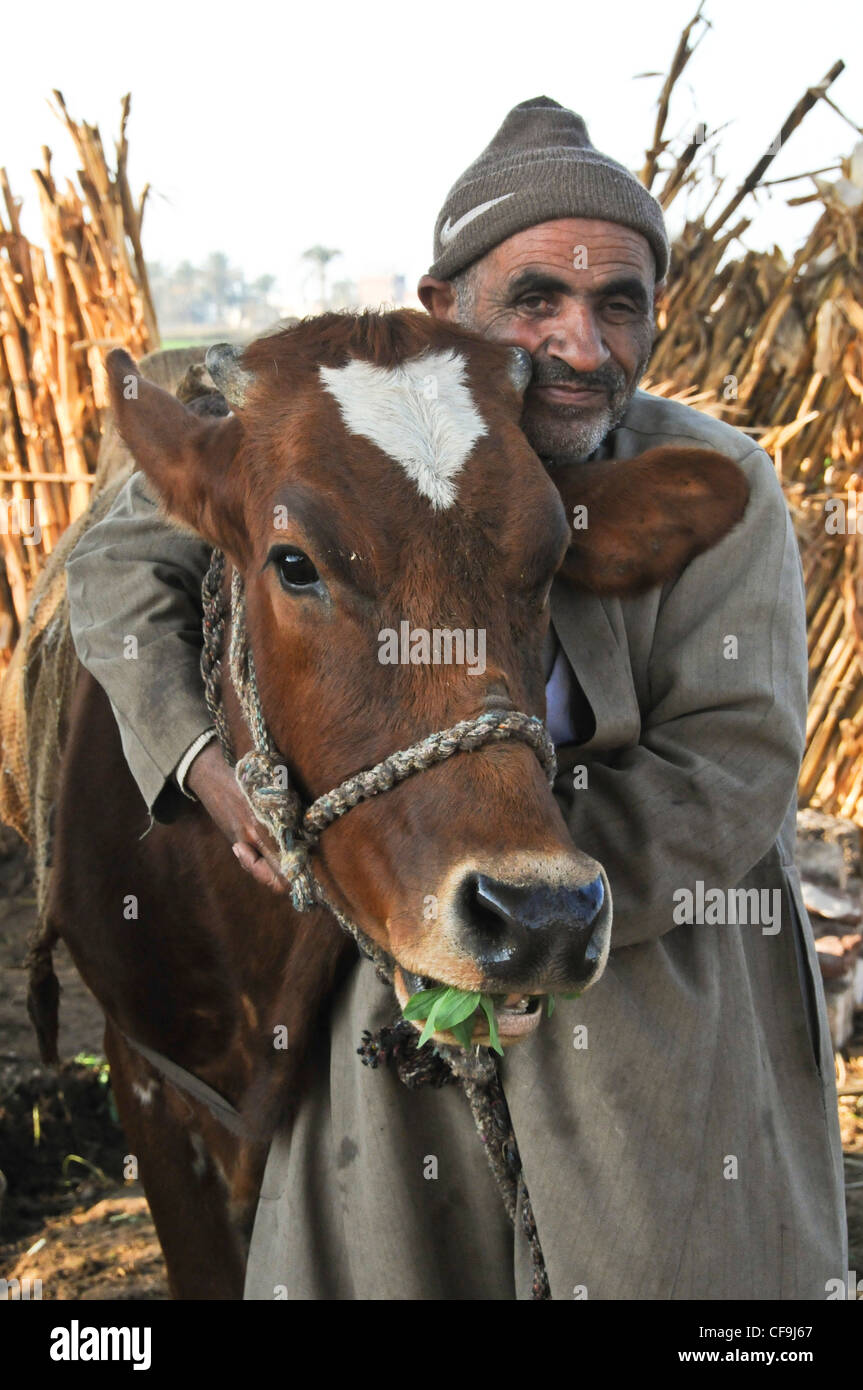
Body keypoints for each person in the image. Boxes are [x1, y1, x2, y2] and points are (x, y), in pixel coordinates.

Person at [66, 97, 846, 1300]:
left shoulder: (715, 484)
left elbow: (733, 767)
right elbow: (117, 557)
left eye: (619, 304)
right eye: (538, 300)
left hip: (636, 974)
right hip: (403, 970)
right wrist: (196, 762)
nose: (582, 346)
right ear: (448, 310)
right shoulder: (351, 438)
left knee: (675, 1267)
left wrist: (517, 894)